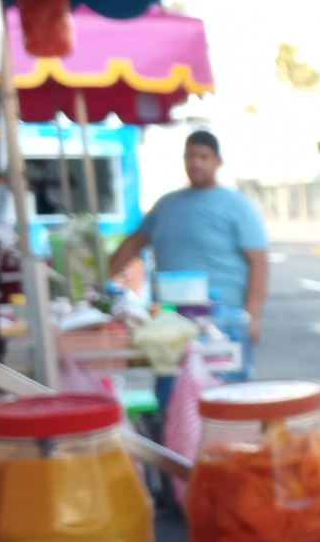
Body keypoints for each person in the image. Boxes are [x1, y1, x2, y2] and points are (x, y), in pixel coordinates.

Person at [108, 130, 269, 380]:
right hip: (170, 322)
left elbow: (259, 262)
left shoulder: (237, 205)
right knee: (174, 399)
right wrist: (105, 279)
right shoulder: (166, 205)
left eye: (204, 157)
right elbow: (133, 243)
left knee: (224, 402)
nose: (196, 162)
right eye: (191, 156)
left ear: (218, 161)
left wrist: (253, 316)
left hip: (221, 323)